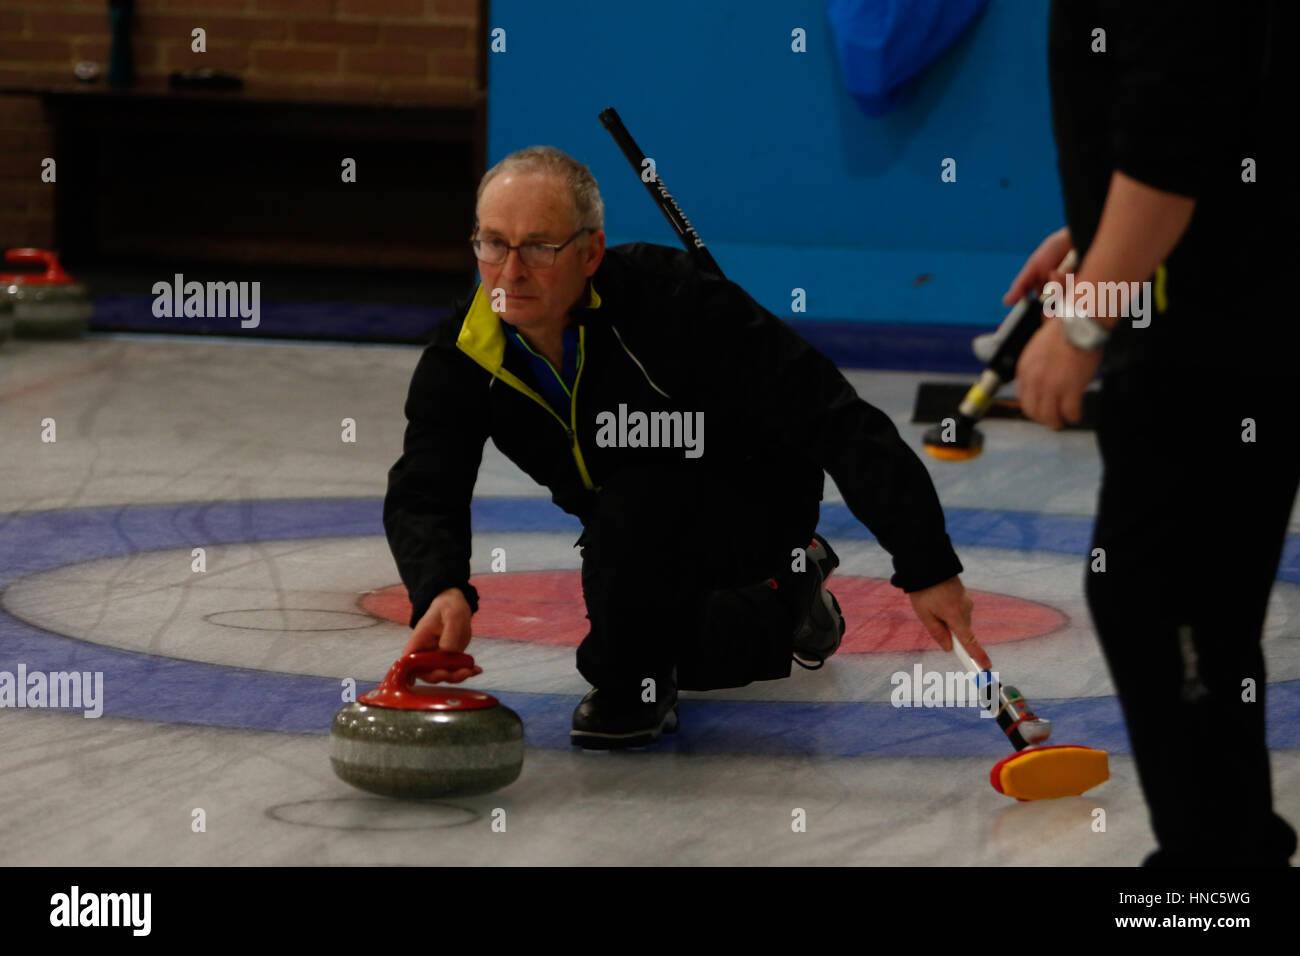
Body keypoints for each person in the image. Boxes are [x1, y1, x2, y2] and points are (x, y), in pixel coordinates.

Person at [384, 145, 987, 749]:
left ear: (591, 252)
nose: (510, 272)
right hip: (629, 524)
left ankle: (768, 580)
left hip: (756, 494)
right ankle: (789, 594)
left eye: (540, 248)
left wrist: (926, 564)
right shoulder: (467, 349)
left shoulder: (674, 300)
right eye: (493, 243)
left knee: (635, 549)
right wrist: (440, 587)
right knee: (692, 648)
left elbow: (835, 417)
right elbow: (426, 483)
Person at [1012, 2, 1296, 865]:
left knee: (1156, 596)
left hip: (1208, 340)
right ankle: (1235, 851)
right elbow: (1223, 114)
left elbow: (1175, 141)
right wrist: (1100, 233)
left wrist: (1085, 319)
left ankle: (1214, 879)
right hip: (1233, 306)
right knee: (1202, 605)